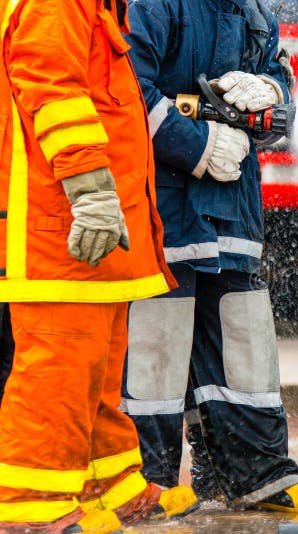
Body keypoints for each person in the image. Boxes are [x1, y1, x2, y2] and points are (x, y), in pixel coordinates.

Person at [119, 0, 298, 513]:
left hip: (233, 208)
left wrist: (274, 95)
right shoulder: (154, 5)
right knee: (156, 346)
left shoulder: (255, 11)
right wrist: (197, 143)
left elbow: (277, 87)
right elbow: (128, 90)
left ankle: (256, 478)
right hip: (165, 206)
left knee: (243, 348)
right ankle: (146, 482)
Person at [0, 0, 199, 530]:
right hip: (61, 227)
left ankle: (109, 485)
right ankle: (31, 506)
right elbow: (52, 91)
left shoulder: (102, 8)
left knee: (98, 372)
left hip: (92, 233)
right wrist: (90, 191)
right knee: (57, 372)